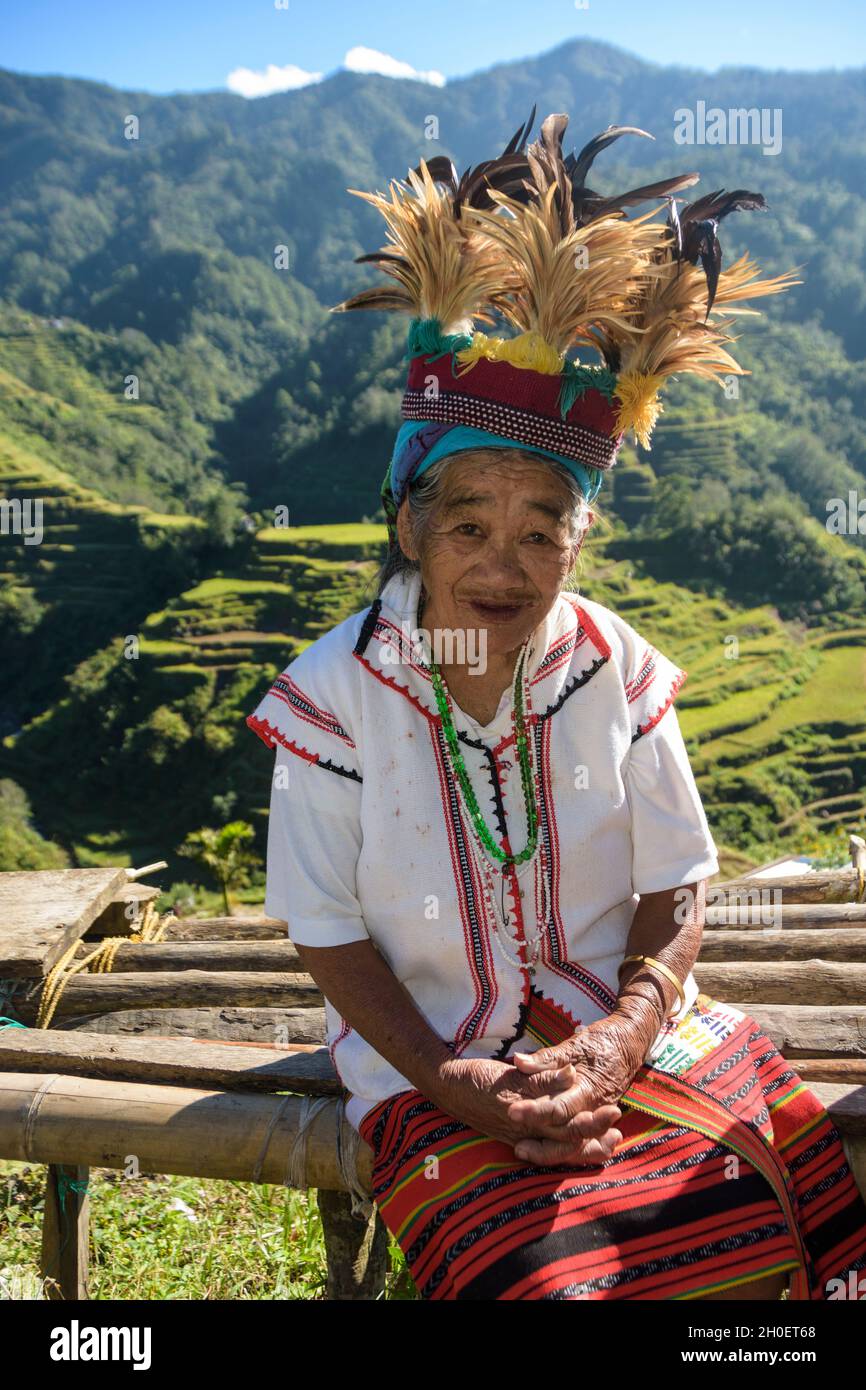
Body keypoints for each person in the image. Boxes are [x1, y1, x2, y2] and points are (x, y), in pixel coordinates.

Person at [246, 110, 866, 1299]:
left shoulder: (616, 669)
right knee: (546, 1284)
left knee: (802, 1221)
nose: (503, 563)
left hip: (623, 1037)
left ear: (578, 546)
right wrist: (442, 1078)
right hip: (429, 1069)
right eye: (468, 525)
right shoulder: (331, 701)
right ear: (406, 523)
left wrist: (625, 1031)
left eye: (543, 531)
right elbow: (324, 930)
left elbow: (673, 880)